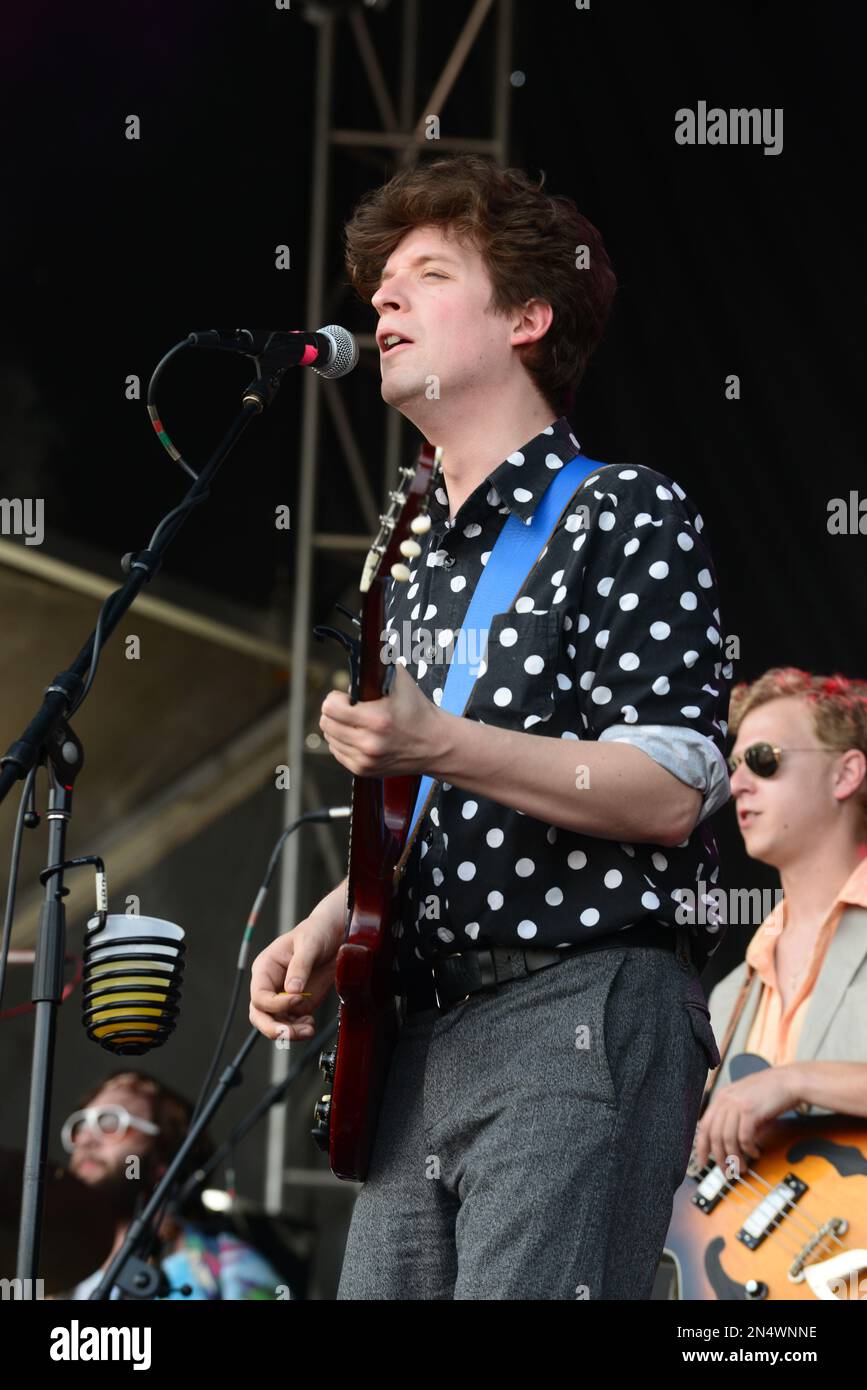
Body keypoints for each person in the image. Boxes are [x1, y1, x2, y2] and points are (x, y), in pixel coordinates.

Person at [250, 154, 732, 1299]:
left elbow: (668, 790)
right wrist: (333, 919)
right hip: (420, 1034)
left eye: (426, 273)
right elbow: (435, 796)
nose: (381, 302)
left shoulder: (624, 509)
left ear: (528, 314)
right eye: (379, 284)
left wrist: (432, 742)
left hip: (577, 1005)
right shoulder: (411, 564)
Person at [697, 668, 867, 1174]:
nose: (736, 784)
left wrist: (794, 1081)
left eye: (762, 760)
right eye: (733, 765)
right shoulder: (729, 995)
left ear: (845, 774)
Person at [58, 1069, 286, 1300]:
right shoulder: (57, 1267)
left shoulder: (230, 1267)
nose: (85, 1139)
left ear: (164, 1161)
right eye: (81, 1125)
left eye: (110, 1122)